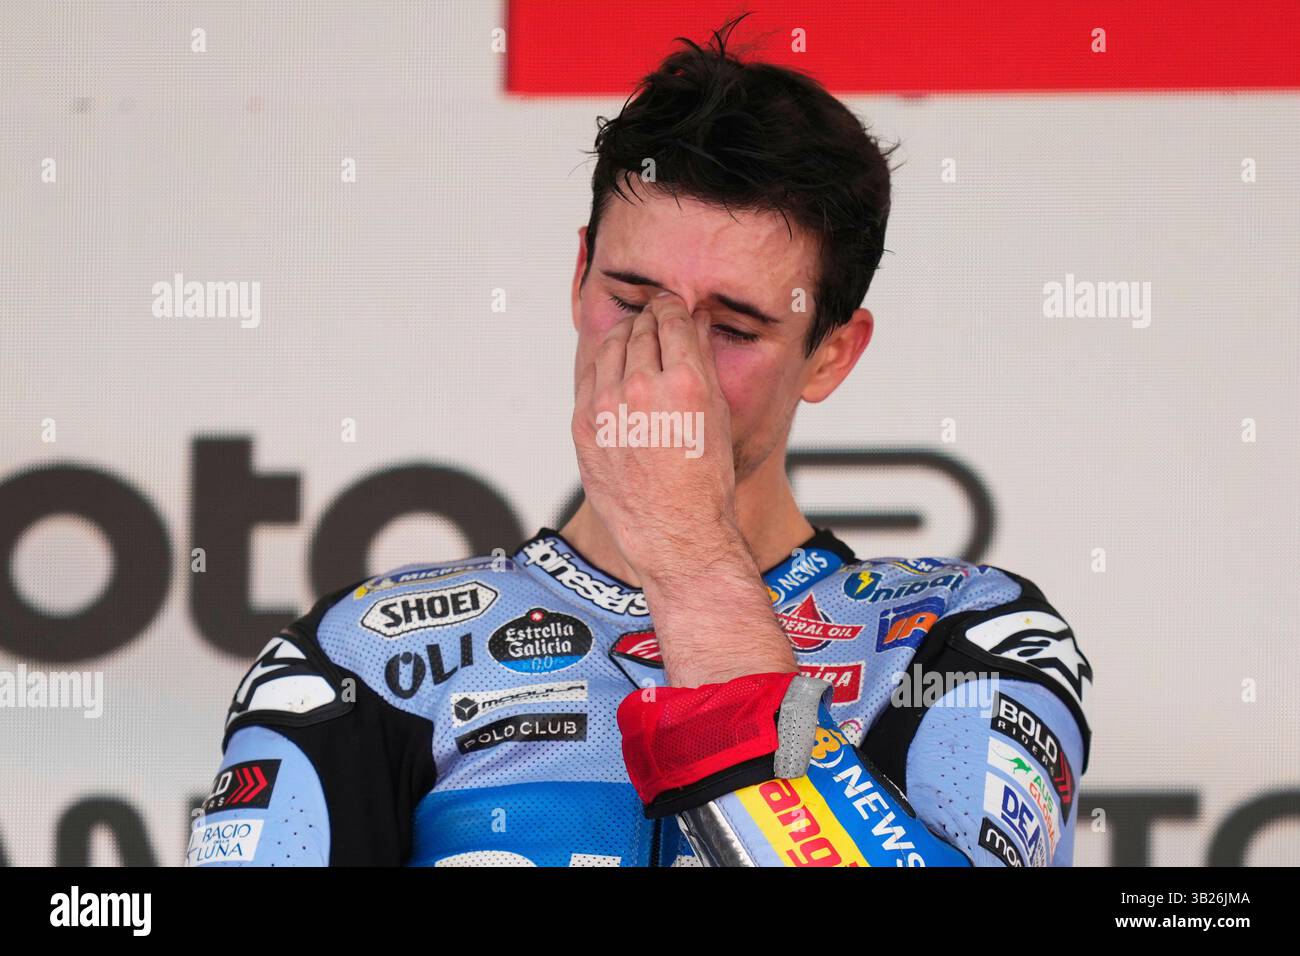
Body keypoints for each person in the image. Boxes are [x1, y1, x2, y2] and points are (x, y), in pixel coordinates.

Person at [190, 16, 1091, 868]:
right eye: (630, 301)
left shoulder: (966, 636)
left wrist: (689, 559)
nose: (675, 363)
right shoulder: (364, 658)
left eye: (734, 328)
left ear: (831, 355)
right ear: (579, 275)